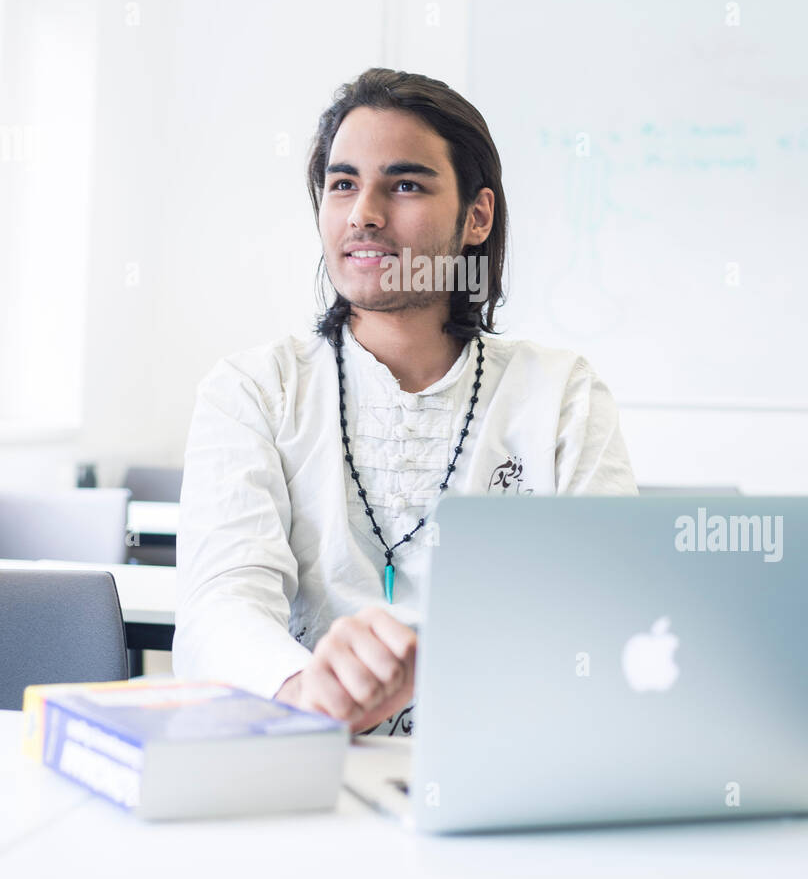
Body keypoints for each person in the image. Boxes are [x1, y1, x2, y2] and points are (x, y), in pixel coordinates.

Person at [173, 68, 639, 737]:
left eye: (405, 184)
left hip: (508, 759)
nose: (363, 212)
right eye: (342, 184)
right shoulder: (254, 387)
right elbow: (221, 604)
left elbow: (609, 606)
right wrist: (309, 692)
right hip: (314, 755)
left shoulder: (558, 391)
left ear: (476, 216)